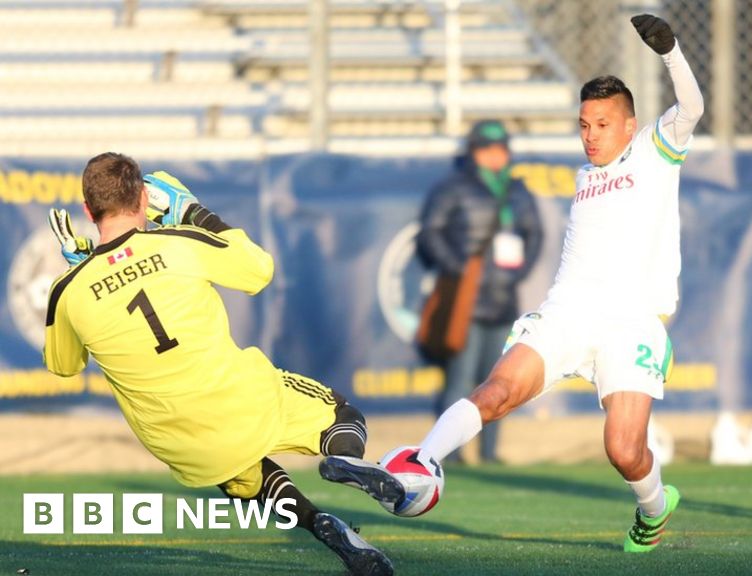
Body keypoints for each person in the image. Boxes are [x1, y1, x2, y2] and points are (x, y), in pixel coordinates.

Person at [349, 13, 702, 552]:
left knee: (624, 450)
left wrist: (670, 51)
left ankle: (654, 508)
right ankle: (420, 462)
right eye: (583, 125)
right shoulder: (586, 176)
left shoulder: (655, 150)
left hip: (631, 322)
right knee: (496, 392)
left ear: (630, 125)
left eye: (602, 124)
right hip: (565, 314)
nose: (590, 136)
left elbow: (692, 107)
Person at [43, 153, 406, 576]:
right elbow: (259, 269)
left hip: (180, 444)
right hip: (239, 400)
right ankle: (345, 458)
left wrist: (81, 267)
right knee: (342, 415)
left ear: (88, 212)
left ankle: (318, 523)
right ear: (143, 197)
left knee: (244, 477)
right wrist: (192, 212)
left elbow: (64, 366)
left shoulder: (68, 291)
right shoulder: (177, 241)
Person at [417, 119, 544, 464]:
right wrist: (460, 269)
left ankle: (489, 454)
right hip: (466, 302)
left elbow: (534, 234)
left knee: (498, 383)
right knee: (460, 380)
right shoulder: (454, 188)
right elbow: (430, 232)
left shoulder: (517, 190)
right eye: (486, 149)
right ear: (473, 152)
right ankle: (447, 454)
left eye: (500, 149)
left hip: (503, 301)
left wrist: (518, 273)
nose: (494, 155)